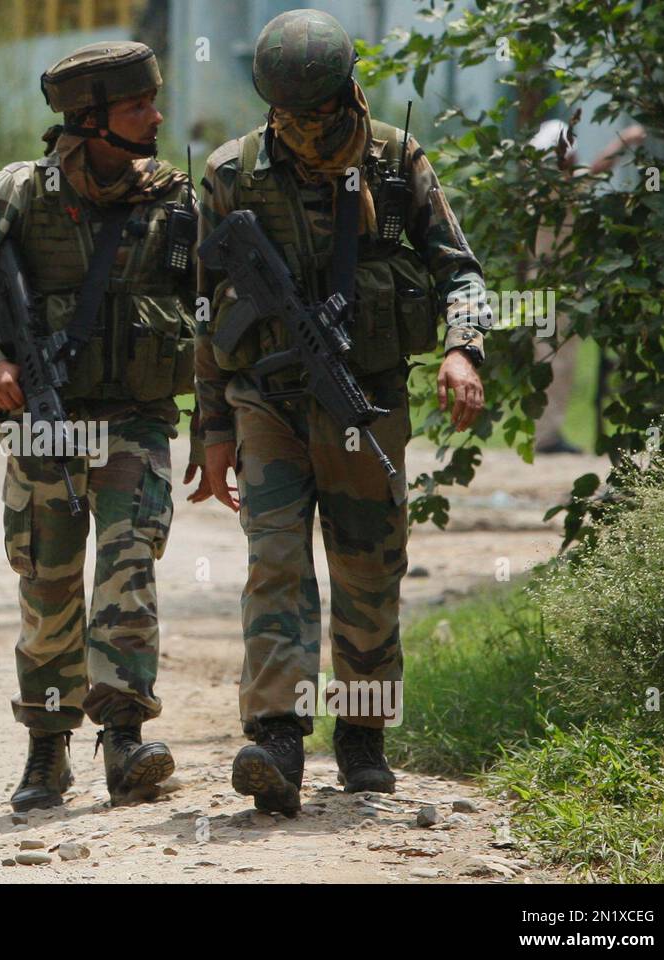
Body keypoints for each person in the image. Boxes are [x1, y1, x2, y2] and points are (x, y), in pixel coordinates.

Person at [197, 10, 491, 815]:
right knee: (276, 566)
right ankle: (277, 739)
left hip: (371, 400)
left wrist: (462, 349)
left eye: (323, 110)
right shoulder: (231, 174)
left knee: (368, 567)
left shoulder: (398, 165)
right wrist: (213, 430)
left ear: (349, 91)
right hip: (266, 404)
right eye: (293, 115)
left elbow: (461, 273)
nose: (310, 128)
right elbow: (204, 312)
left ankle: (362, 737)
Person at [0, 41, 207, 811]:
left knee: (127, 567)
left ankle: (124, 739)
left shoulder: (174, 202)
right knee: (48, 583)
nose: (155, 114)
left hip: (135, 422)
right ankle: (47, 750)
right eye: (138, 104)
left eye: (153, 100)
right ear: (91, 118)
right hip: (46, 422)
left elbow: (211, 318)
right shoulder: (18, 193)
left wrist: (215, 427)